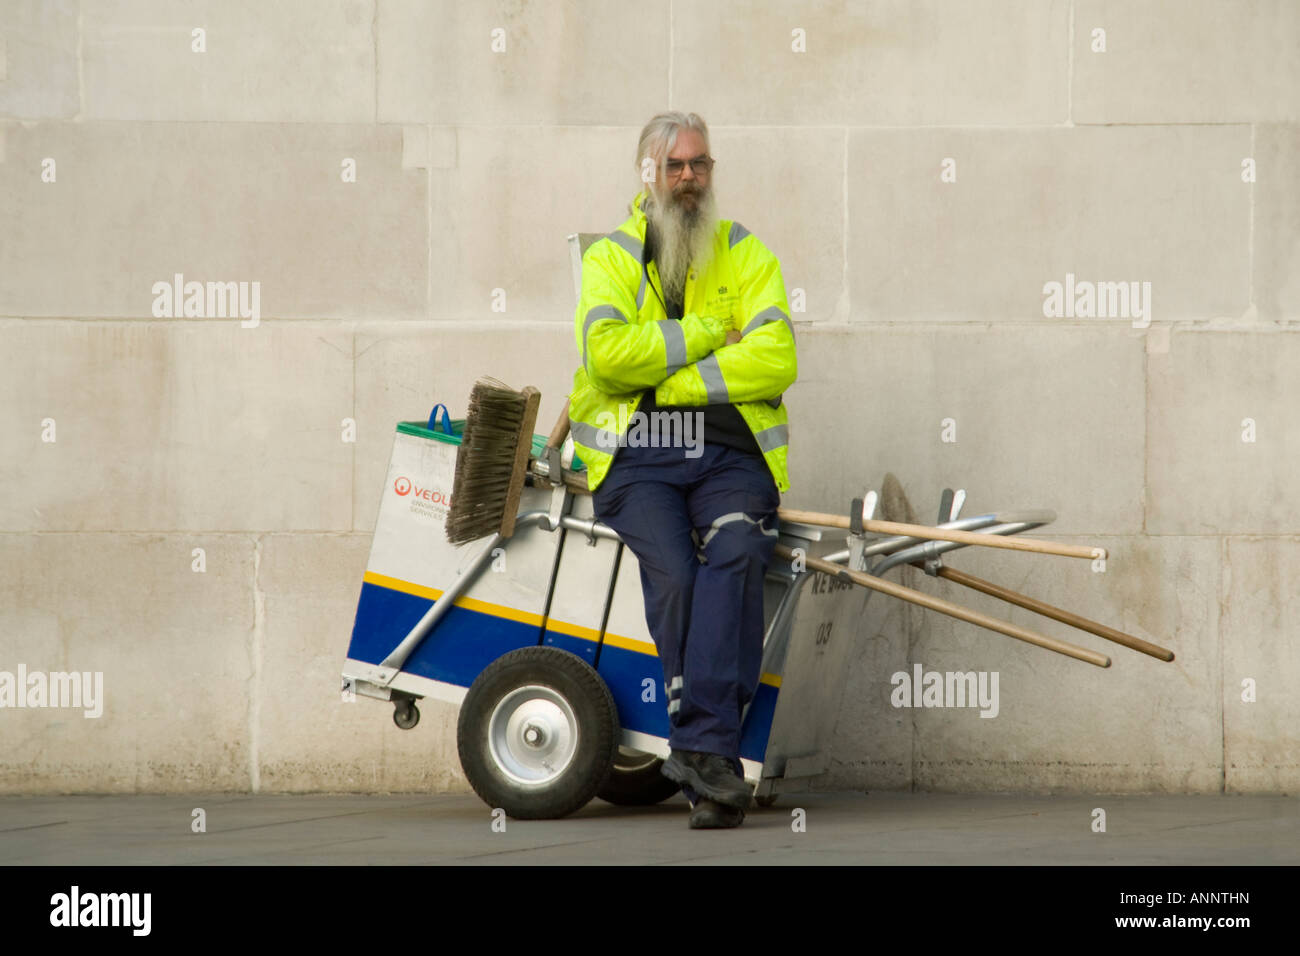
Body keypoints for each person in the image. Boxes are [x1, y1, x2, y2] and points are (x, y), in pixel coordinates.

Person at [567, 111, 797, 829]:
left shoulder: (745, 251)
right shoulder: (608, 258)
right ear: (649, 175)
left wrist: (671, 378)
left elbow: (776, 357)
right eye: (676, 167)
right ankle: (715, 761)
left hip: (728, 453)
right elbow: (605, 354)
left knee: (738, 551)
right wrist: (702, 336)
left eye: (700, 164)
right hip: (637, 456)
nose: (691, 178)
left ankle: (703, 756)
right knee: (677, 573)